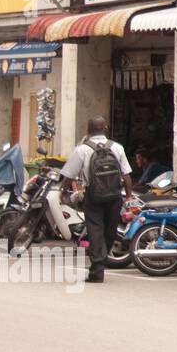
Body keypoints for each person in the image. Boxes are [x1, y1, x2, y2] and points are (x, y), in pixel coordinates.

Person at [61, 117, 133, 283]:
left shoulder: (82, 150)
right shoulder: (117, 147)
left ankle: (97, 268)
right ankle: (102, 257)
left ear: (88, 129)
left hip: (93, 196)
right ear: (105, 128)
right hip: (115, 196)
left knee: (95, 230)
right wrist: (128, 196)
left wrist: (63, 192)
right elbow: (126, 174)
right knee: (110, 229)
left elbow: (69, 174)